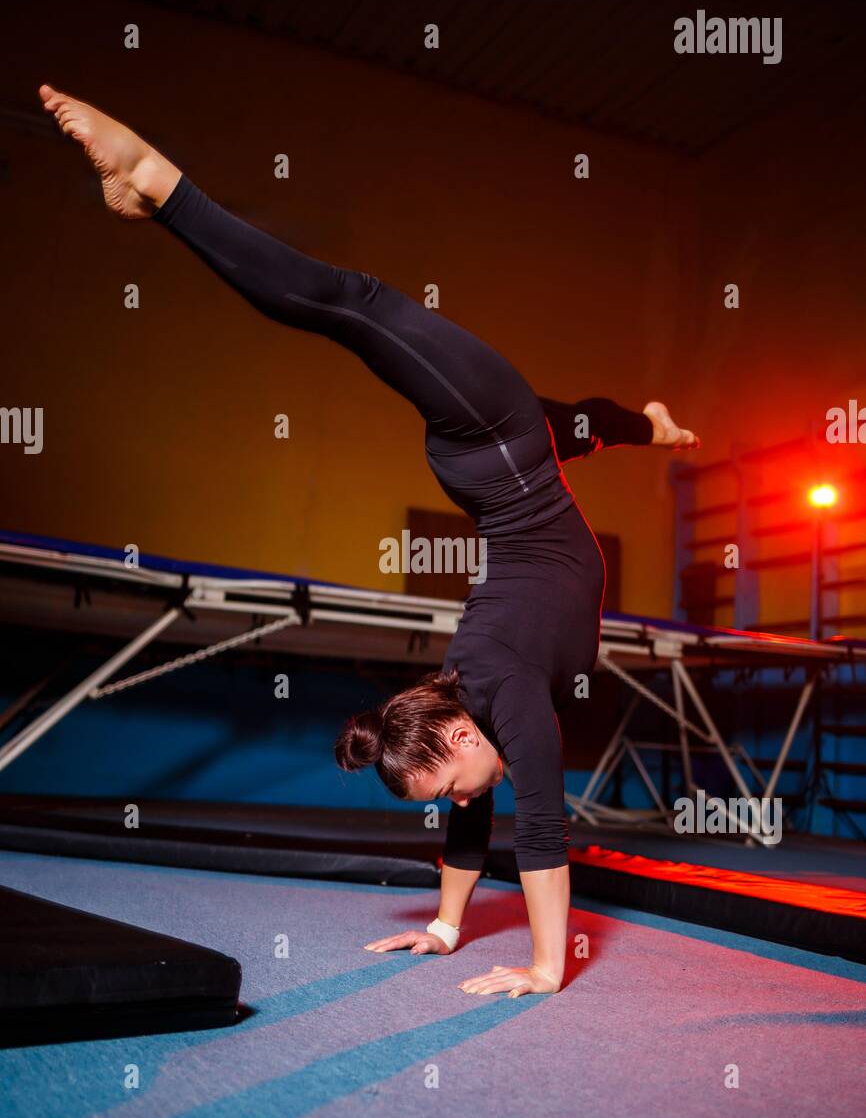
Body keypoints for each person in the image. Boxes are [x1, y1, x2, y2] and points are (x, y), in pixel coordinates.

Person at [38, 82, 699, 998]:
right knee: (576, 427)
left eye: (447, 787)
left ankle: (157, 178)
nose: (461, 804)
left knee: (349, 305)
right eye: (448, 797)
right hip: (507, 460)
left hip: (490, 439)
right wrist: (443, 925)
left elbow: (538, 830)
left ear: (460, 732)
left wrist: (549, 970)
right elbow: (496, 822)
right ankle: (656, 428)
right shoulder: (486, 710)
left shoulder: (494, 692)